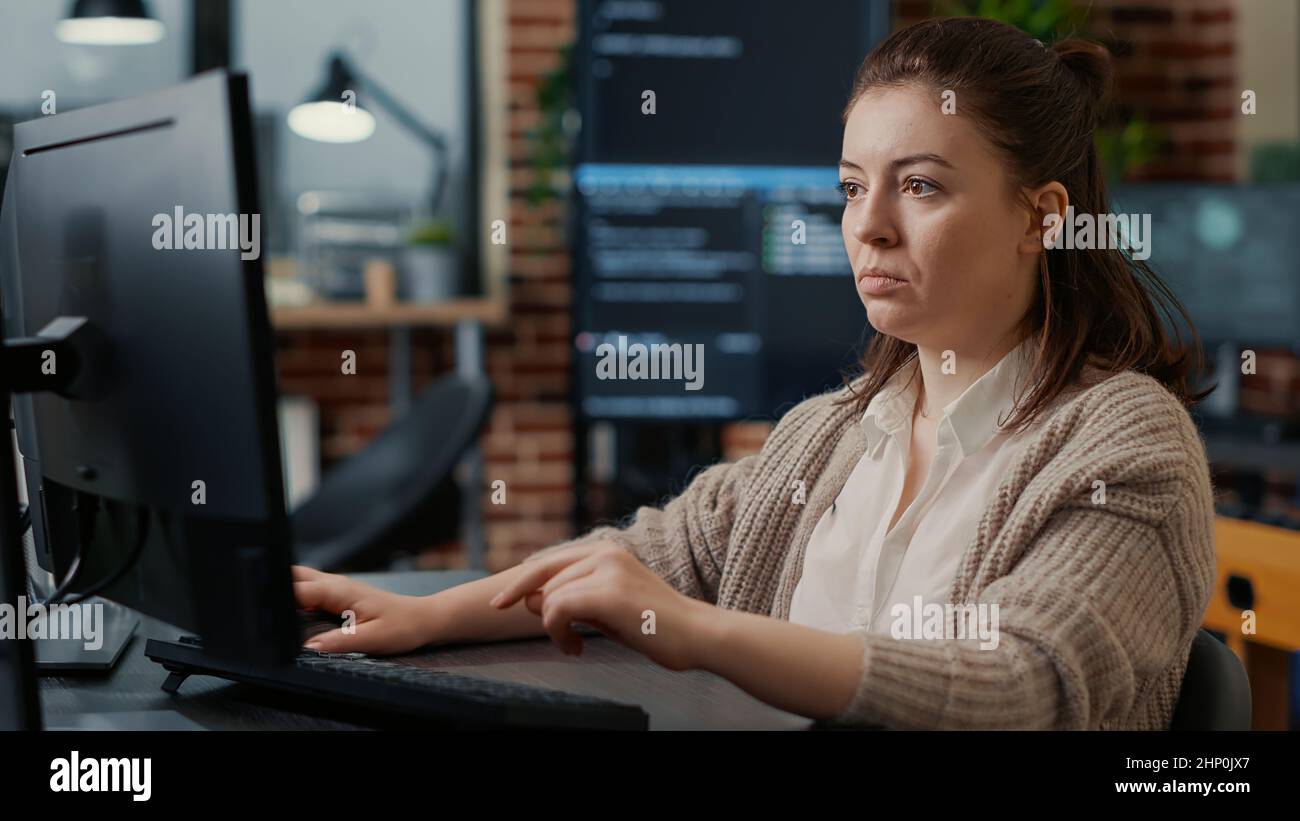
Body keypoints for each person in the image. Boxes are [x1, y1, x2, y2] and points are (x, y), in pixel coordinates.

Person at [291, 17, 1216, 730]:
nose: (869, 225)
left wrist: (698, 634)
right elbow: (657, 556)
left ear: (1041, 217)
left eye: (922, 185)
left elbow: (1023, 679)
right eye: (854, 186)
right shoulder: (834, 431)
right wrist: (421, 616)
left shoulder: (1126, 441)